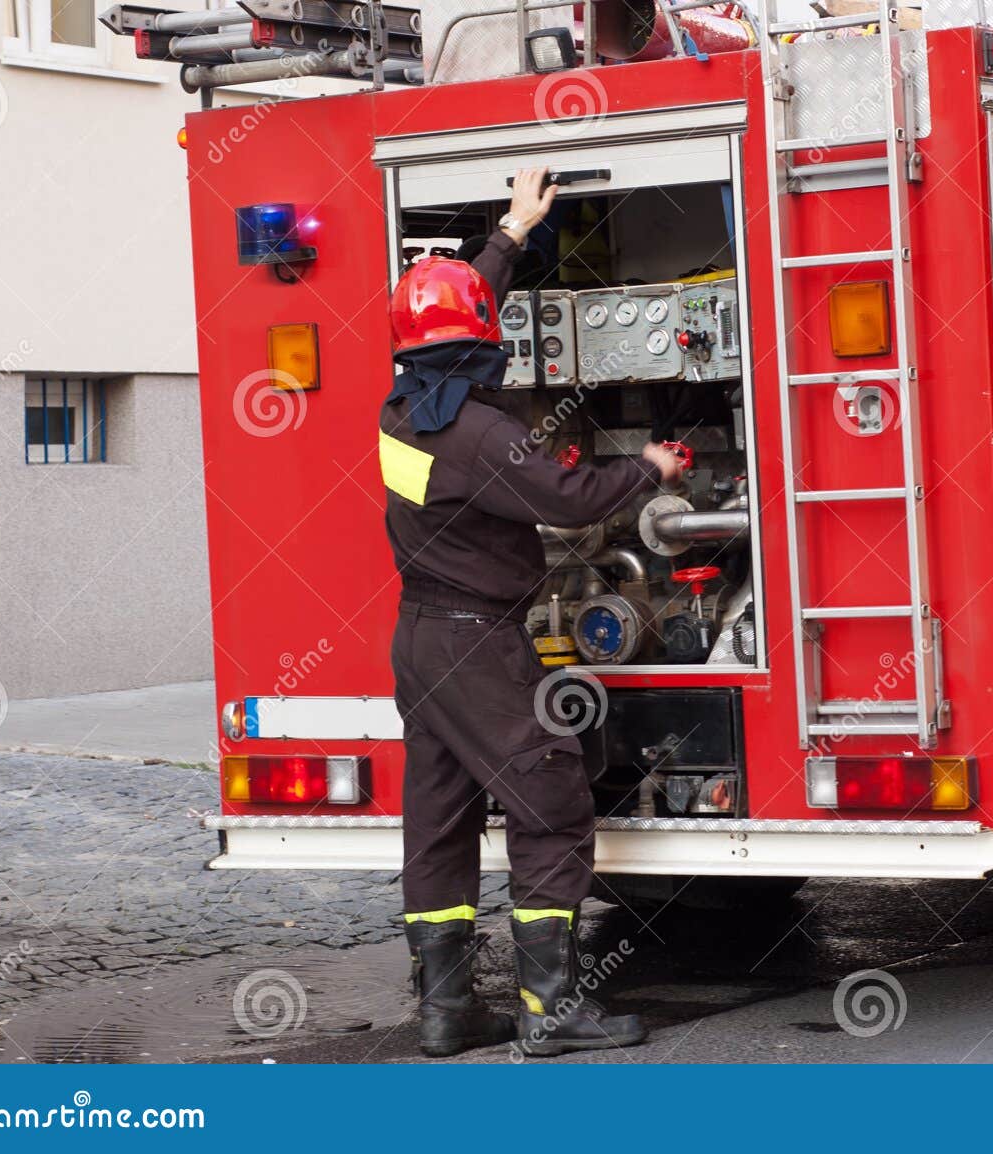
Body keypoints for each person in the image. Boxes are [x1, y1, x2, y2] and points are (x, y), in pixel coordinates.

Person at [380, 169, 682, 1057]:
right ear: (478, 342)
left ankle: (445, 1015)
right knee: (548, 798)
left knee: (439, 819)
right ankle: (552, 1010)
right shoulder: (483, 435)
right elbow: (574, 498)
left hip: (421, 642)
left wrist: (510, 233)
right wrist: (651, 472)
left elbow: (457, 310)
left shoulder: (403, 411)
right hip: (479, 646)